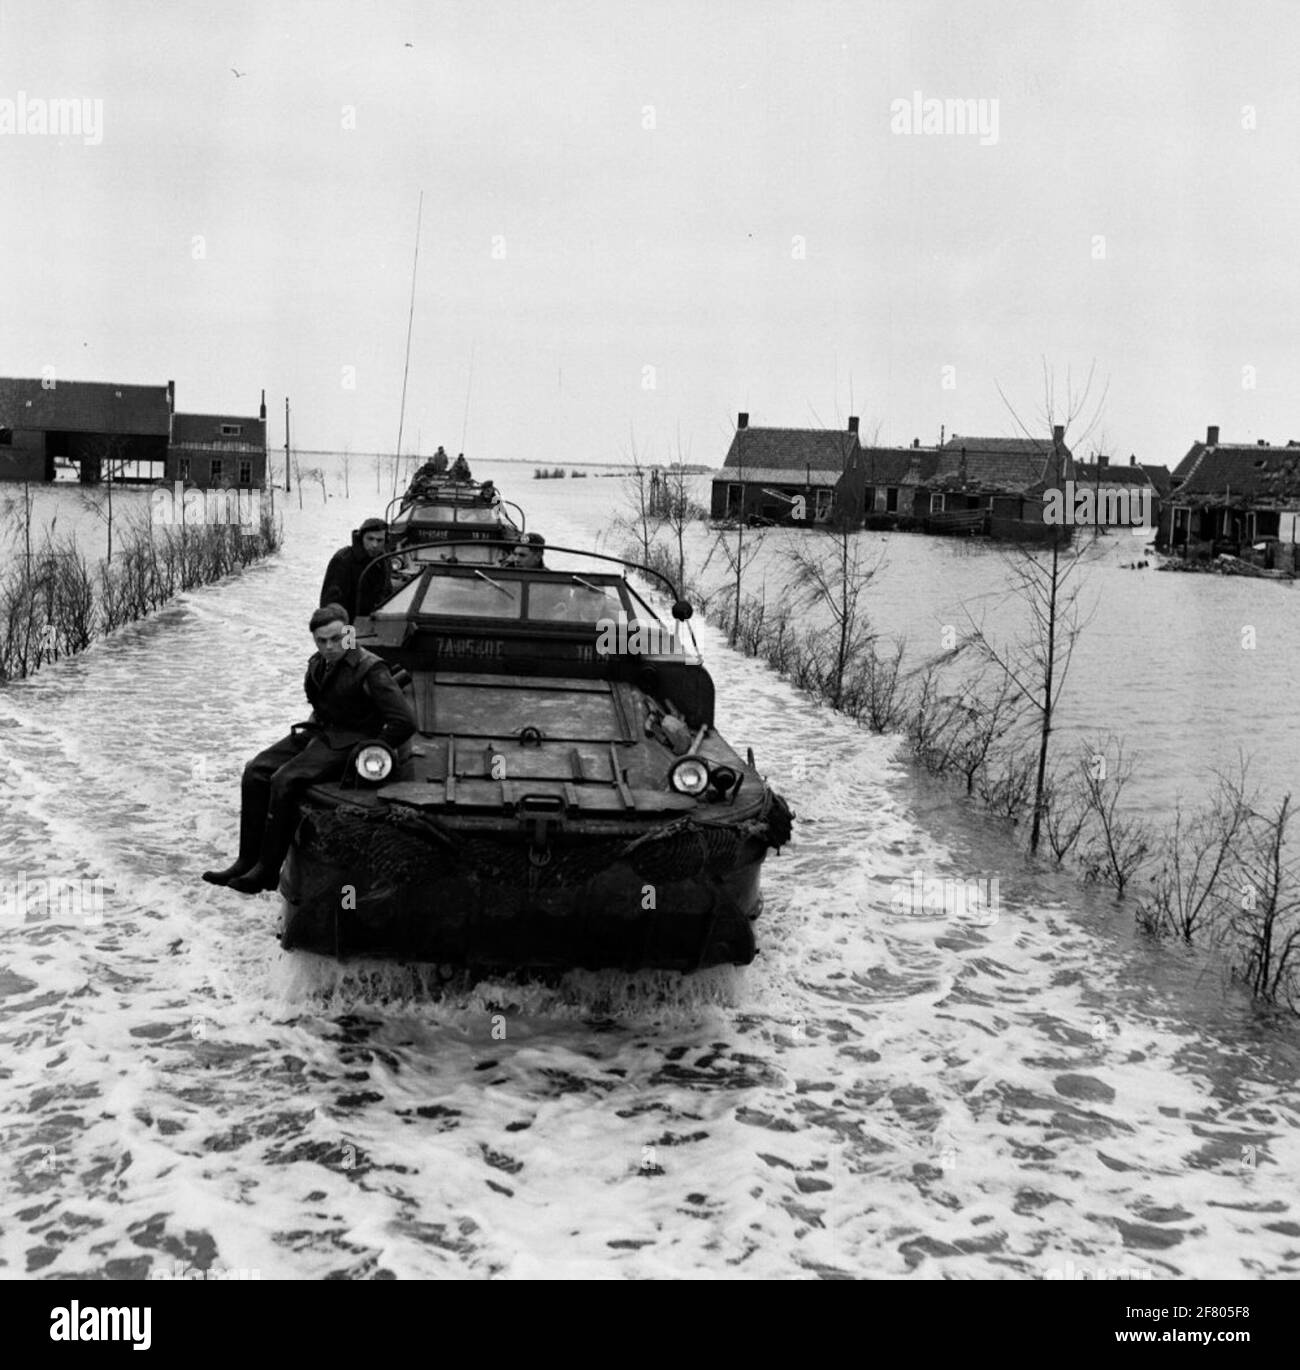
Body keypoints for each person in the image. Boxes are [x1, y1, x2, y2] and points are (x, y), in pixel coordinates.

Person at [202, 604, 417, 895]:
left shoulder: (370, 669)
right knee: (255, 771)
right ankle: (246, 860)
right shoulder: (318, 663)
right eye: (322, 640)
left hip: (349, 741)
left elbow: (404, 722)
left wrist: (371, 748)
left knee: (285, 779)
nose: (329, 646)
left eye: (336, 638)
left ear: (349, 633)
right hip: (320, 732)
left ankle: (267, 870)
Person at [320, 517, 392, 619]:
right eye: (370, 539)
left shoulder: (384, 561)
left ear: (386, 541)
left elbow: (387, 593)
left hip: (374, 623)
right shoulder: (343, 560)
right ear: (361, 538)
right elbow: (331, 604)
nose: (374, 545)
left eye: (379, 540)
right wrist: (345, 633)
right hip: (349, 624)